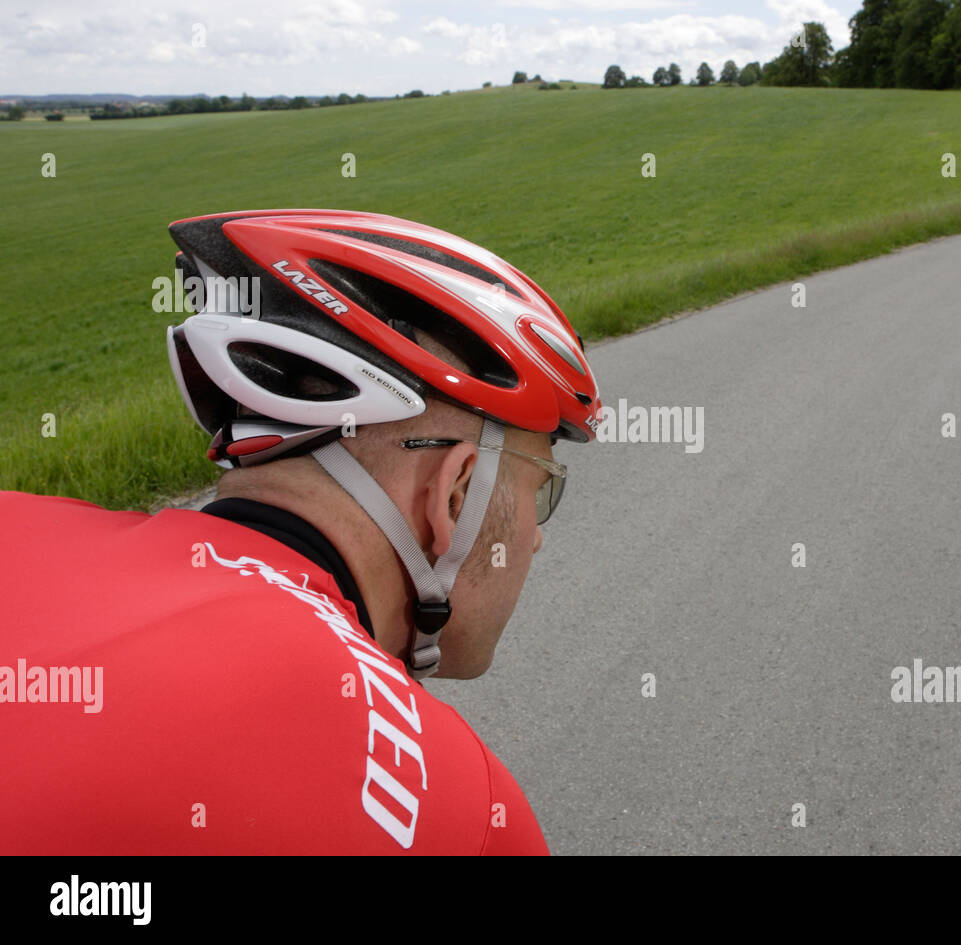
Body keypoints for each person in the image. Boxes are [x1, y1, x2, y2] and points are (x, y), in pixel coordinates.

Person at [0, 209, 601, 854]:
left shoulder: (19, 521)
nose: (534, 539)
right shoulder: (458, 808)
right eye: (538, 488)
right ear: (455, 492)